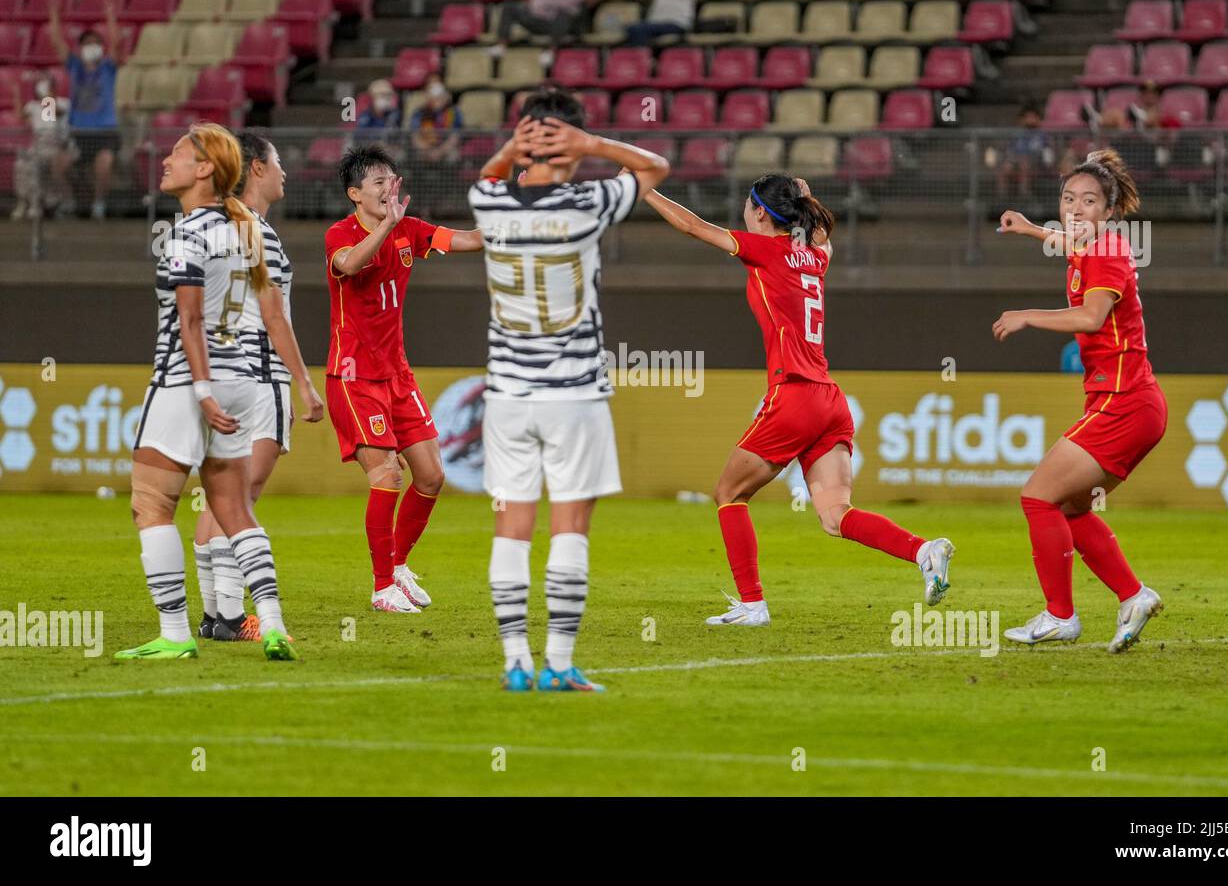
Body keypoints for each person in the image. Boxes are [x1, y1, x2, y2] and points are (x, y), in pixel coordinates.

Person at [641, 176, 956, 626]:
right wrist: (807, 199)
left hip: (793, 395)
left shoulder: (764, 248)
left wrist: (645, 191)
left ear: (761, 215)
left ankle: (752, 604)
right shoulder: (814, 258)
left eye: (748, 205)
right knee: (834, 515)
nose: (744, 212)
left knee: (729, 493)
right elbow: (825, 240)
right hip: (829, 400)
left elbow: (692, 226)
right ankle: (923, 551)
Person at [469, 87, 669, 692]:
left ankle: (513, 663)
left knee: (511, 528)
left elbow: (491, 173)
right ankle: (558, 662)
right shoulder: (589, 203)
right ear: (572, 146)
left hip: (506, 395)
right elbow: (655, 169)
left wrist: (514, 144)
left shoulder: (487, 202)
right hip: (574, 395)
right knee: (571, 526)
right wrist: (593, 144)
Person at [119, 122, 296, 661]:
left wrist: (199, 389)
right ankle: (270, 623)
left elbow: (189, 320)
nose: (165, 158)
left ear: (204, 170)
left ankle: (175, 634)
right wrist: (304, 387)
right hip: (243, 378)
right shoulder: (244, 230)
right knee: (236, 508)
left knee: (151, 503)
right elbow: (271, 313)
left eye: (177, 152)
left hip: (185, 381)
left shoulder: (187, 233)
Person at [993, 149, 1166, 653]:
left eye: (1089, 201)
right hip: (1128, 403)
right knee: (1069, 509)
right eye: (1068, 198)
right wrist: (1029, 229)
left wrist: (1028, 314)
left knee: (1036, 497)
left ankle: (1059, 616)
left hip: (1124, 401)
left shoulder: (1107, 250)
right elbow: (1066, 239)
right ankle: (1132, 596)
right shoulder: (1086, 246)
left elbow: (1091, 319)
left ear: (1108, 212)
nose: (1075, 208)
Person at [324, 145, 483, 613]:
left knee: (432, 476)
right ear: (355, 193)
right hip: (353, 377)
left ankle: (397, 567)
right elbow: (350, 265)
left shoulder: (411, 231)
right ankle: (381, 588)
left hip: (398, 374)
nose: (387, 188)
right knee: (388, 474)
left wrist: (516, 218)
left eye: (391, 180)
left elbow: (468, 240)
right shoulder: (340, 234)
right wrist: (390, 227)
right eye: (377, 181)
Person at [192, 130, 325, 643]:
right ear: (256, 168)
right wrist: (304, 385)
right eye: (278, 162)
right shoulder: (257, 233)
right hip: (260, 374)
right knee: (241, 499)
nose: (286, 172)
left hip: (227, 371)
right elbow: (275, 318)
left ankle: (214, 614)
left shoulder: (226, 226)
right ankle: (229, 616)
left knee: (224, 497)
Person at [49, 0, 120, 220]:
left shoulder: (108, 68)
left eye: (95, 43)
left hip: (105, 132)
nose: (91, 46)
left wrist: (109, 14)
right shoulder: (75, 67)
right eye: (86, 43)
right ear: (80, 49)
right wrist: (54, 14)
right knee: (58, 166)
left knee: (104, 165)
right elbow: (57, 42)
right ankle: (69, 202)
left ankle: (99, 204)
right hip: (78, 133)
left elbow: (116, 43)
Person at [9, 70, 74, 220]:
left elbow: (51, 114)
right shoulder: (32, 105)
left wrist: (48, 93)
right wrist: (17, 93)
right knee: (21, 165)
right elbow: (19, 115)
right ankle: (25, 203)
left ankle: (53, 204)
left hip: (57, 148)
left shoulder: (64, 103)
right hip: (37, 147)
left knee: (50, 167)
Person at [995, 102, 1048, 201]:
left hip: (1036, 163)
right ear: (1022, 119)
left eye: (1033, 117)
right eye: (1027, 117)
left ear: (1038, 119)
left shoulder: (1042, 135)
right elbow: (1010, 151)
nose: (1030, 120)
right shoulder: (1017, 135)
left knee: (1024, 163)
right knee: (1004, 168)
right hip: (1016, 161)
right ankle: (1002, 197)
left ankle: (1024, 195)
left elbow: (1046, 153)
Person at [408, 78, 462, 164]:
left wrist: (439, 152)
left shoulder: (454, 112)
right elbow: (415, 136)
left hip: (445, 148)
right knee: (414, 156)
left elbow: (455, 137)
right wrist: (427, 150)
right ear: (427, 96)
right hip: (425, 148)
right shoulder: (419, 112)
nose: (437, 99)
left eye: (440, 96)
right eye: (434, 96)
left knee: (453, 156)